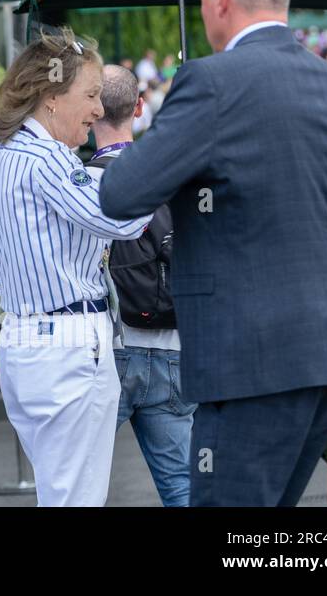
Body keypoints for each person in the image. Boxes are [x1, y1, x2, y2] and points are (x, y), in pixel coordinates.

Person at [99, 0, 327, 507]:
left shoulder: (210, 84)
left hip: (246, 369)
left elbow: (120, 193)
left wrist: (166, 132)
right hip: (326, 371)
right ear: (281, 1)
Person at [0, 28, 151, 506]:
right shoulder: (49, 159)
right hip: (70, 348)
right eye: (90, 96)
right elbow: (123, 221)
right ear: (51, 98)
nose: (98, 110)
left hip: (21, 345)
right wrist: (165, 172)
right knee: (76, 497)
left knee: (62, 492)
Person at [86, 65, 193, 507]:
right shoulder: (171, 175)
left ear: (91, 110)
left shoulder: (78, 182)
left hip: (108, 351)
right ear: (139, 106)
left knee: (76, 482)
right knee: (183, 486)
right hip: (173, 348)